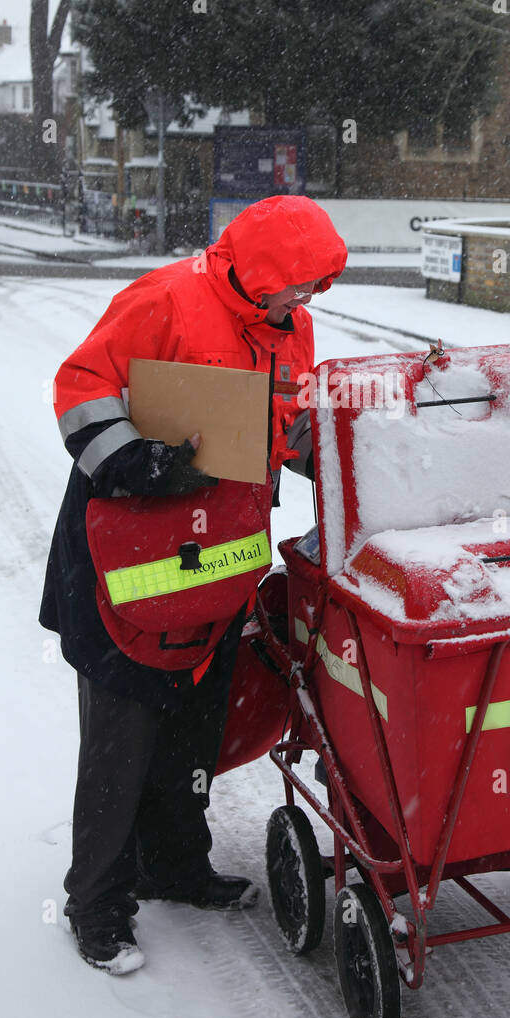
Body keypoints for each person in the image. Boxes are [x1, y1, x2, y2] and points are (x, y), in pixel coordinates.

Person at [39, 194, 347, 974]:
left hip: (218, 556)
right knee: (121, 743)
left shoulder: (292, 326)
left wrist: (335, 455)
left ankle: (174, 864)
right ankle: (98, 906)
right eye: (295, 287)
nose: (305, 302)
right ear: (256, 275)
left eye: (314, 288)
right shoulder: (165, 298)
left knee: (193, 725)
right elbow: (80, 388)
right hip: (127, 561)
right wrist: (141, 462)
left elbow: (290, 421)